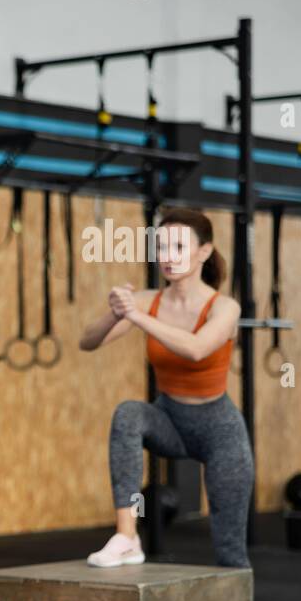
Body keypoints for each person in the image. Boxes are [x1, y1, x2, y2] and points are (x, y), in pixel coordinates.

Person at [79, 207, 253, 569]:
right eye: (161, 247)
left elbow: (195, 349)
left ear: (203, 251)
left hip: (218, 428)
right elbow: (87, 343)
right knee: (129, 414)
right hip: (169, 419)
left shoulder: (225, 308)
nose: (168, 257)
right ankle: (127, 537)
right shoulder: (147, 300)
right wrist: (116, 312)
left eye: (178, 246)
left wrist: (136, 316)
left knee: (230, 552)